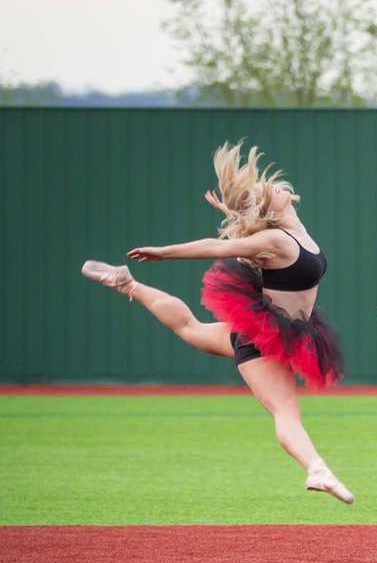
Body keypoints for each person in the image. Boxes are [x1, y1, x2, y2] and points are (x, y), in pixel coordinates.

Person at [80, 141, 354, 505]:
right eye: (265, 191)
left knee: (191, 330)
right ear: (267, 211)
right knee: (285, 410)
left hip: (281, 328)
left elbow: (249, 225)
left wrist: (235, 210)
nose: (273, 187)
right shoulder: (274, 240)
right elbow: (217, 246)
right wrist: (164, 252)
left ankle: (125, 283)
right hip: (262, 337)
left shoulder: (293, 230)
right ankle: (316, 469)